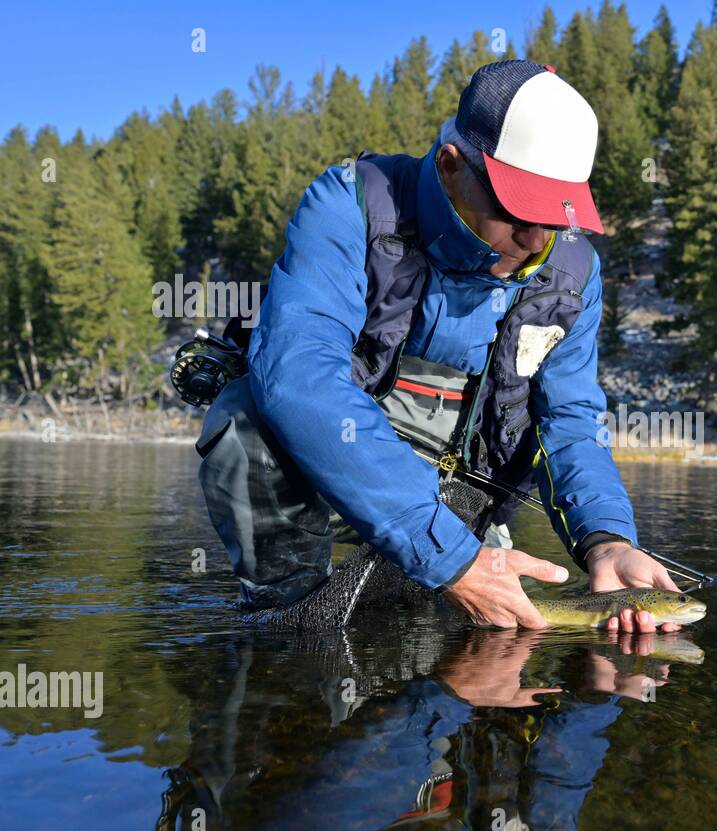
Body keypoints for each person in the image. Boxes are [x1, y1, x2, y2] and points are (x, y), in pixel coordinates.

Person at [195, 60, 679, 632]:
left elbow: (569, 423)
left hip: (467, 504)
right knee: (245, 415)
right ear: (451, 165)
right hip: (331, 478)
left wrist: (606, 541)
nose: (536, 241)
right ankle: (287, 627)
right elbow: (300, 378)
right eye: (519, 212)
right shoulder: (350, 206)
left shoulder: (574, 272)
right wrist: (449, 559)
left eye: (556, 216)